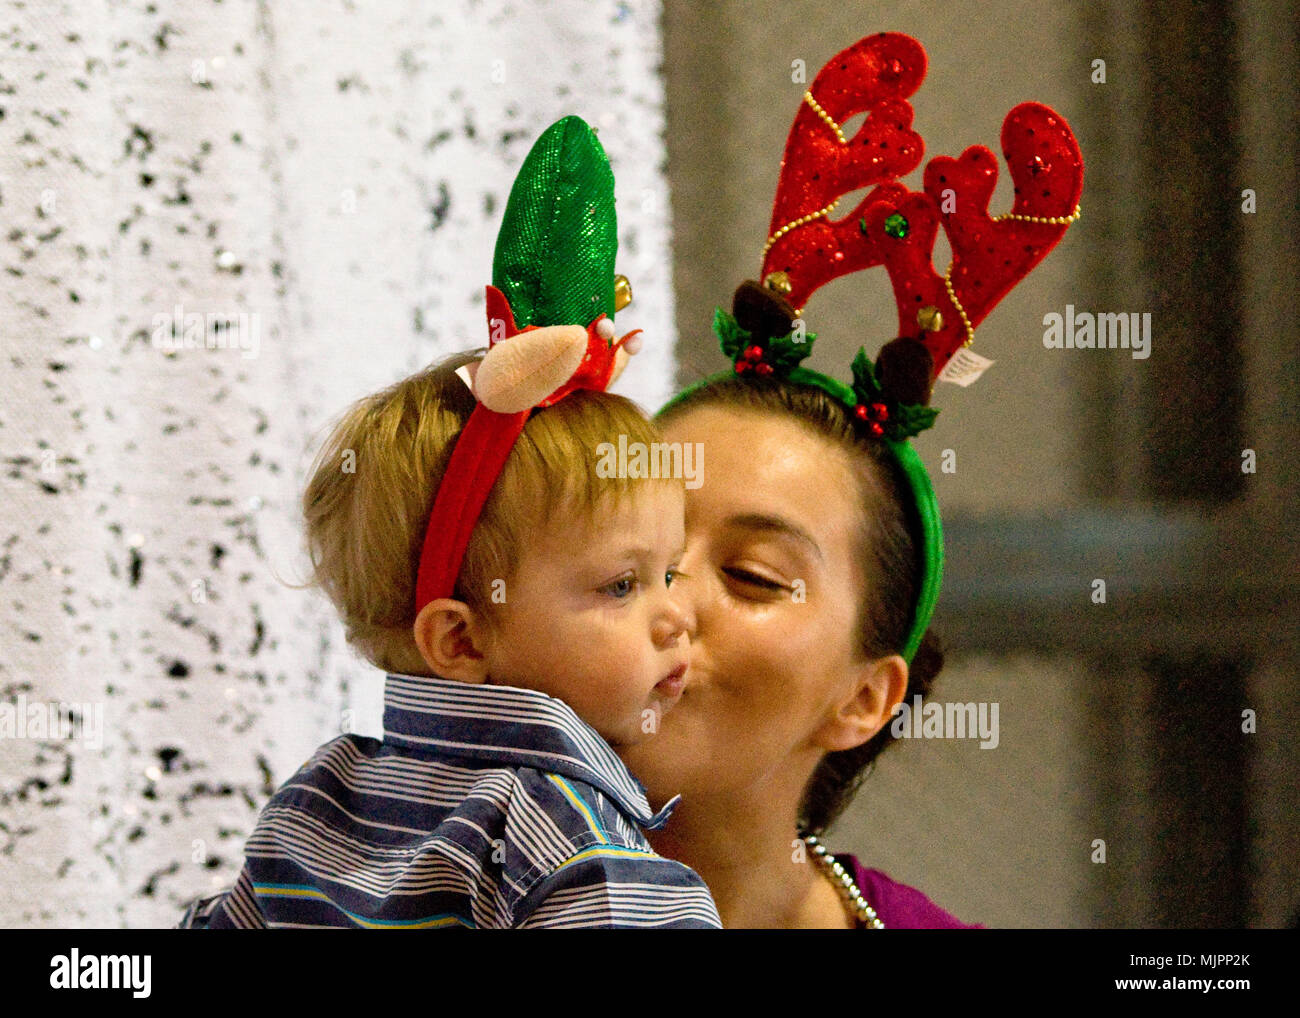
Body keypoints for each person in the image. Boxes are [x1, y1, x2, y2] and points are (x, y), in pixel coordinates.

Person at [177, 115, 721, 929]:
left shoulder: (324, 793)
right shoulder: (571, 840)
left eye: (668, 573)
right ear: (461, 641)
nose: (679, 614)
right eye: (622, 585)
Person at [620, 30, 1082, 929]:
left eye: (752, 575)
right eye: (632, 553)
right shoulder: (388, 885)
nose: (663, 599)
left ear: (864, 699)